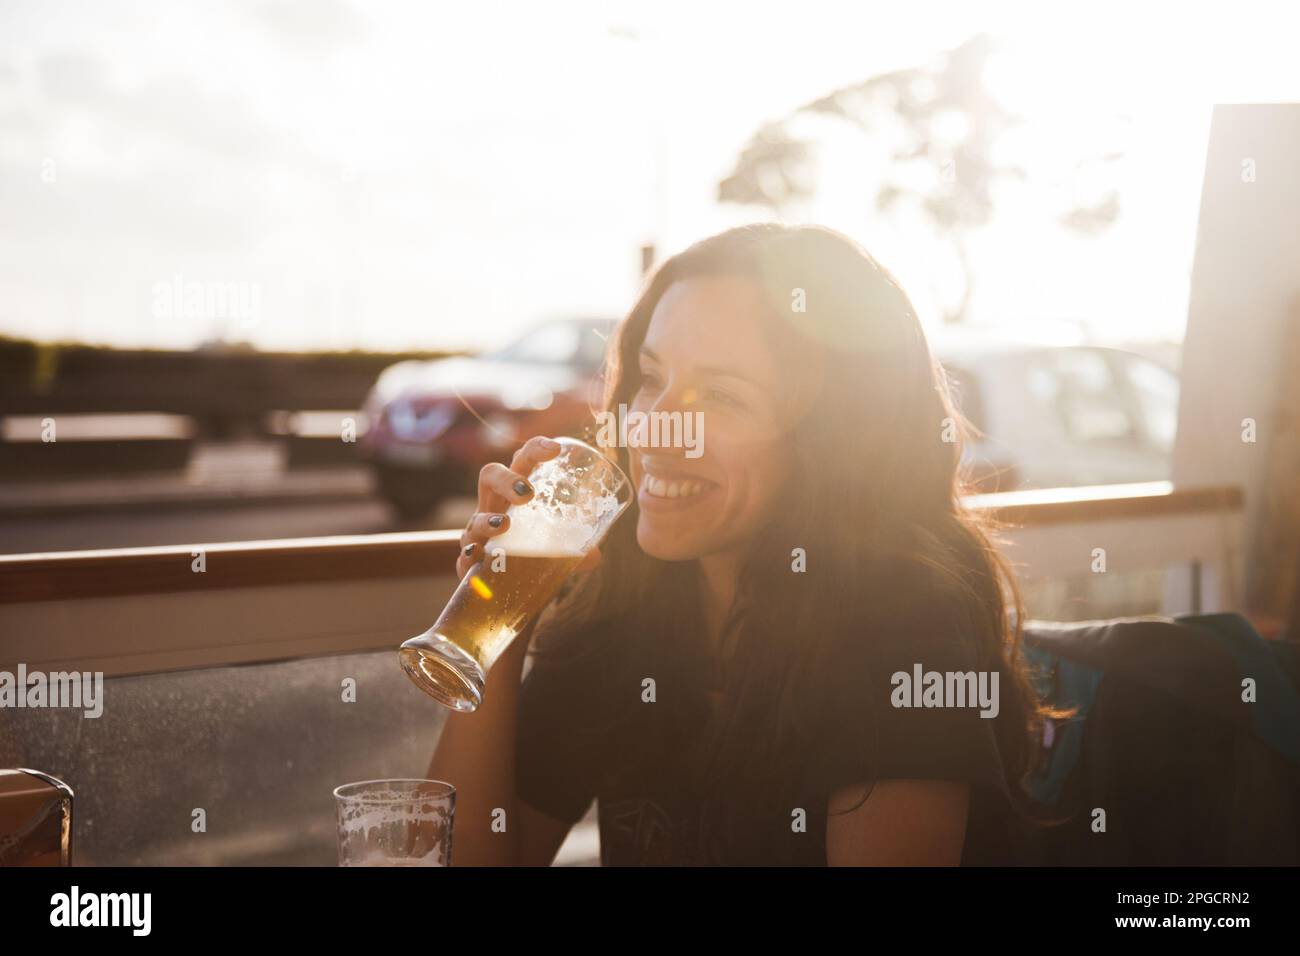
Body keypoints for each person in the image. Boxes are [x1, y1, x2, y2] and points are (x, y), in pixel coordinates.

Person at [427, 222, 1066, 866]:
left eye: (722, 396)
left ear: (835, 443)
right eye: (652, 377)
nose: (651, 430)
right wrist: (499, 619)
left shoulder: (906, 626)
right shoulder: (630, 610)